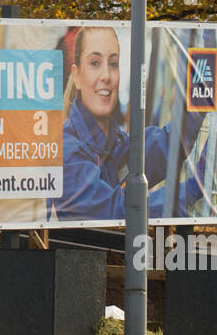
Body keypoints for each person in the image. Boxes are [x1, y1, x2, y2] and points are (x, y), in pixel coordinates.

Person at [49, 25, 207, 222]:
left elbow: (165, 146)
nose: (106, 75)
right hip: (84, 251)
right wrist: (192, 189)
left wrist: (205, 74)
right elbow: (116, 212)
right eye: (95, 63)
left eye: (113, 63)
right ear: (77, 76)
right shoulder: (69, 152)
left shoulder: (112, 143)